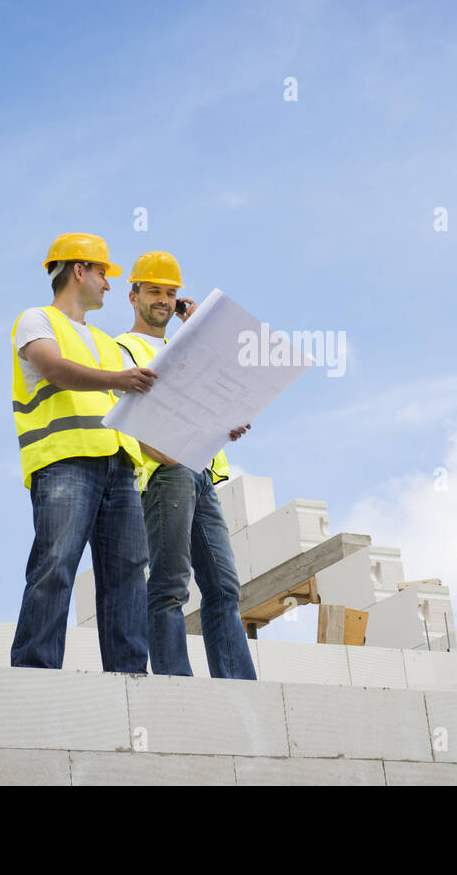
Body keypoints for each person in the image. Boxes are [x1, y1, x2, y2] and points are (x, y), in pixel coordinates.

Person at [8, 233, 158, 672]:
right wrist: (120, 380)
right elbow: (53, 368)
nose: (109, 284)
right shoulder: (36, 320)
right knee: (56, 563)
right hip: (67, 462)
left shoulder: (108, 345)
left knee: (128, 575)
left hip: (120, 466)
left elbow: (133, 414)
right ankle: (35, 671)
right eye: (103, 274)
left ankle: (129, 676)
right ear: (79, 271)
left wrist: (214, 431)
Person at [114, 251, 257, 679]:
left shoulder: (188, 346)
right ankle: (176, 680)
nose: (163, 299)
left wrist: (228, 425)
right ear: (133, 294)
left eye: (170, 293)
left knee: (224, 587)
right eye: (154, 290)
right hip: (166, 473)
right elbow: (123, 414)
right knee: (170, 584)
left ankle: (237, 684)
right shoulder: (125, 347)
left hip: (202, 473)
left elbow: (212, 399)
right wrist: (161, 453)